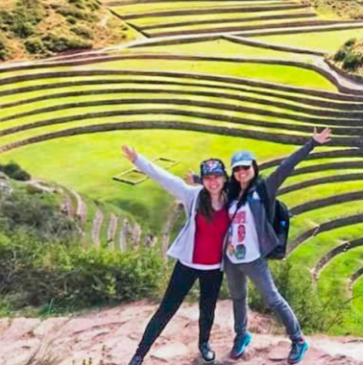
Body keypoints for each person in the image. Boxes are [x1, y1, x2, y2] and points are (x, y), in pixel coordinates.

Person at [226, 127, 332, 365]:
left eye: (245, 167)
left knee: (273, 299)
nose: (242, 172)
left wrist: (311, 143)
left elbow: (286, 166)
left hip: (254, 259)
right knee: (238, 297)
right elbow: (212, 184)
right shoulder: (230, 194)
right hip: (231, 258)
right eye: (237, 169)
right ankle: (241, 336)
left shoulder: (264, 189)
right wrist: (197, 179)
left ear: (254, 168)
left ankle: (298, 340)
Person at [122, 146, 230, 365]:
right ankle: (140, 353)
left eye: (217, 177)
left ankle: (204, 344)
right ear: (203, 180)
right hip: (188, 263)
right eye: (208, 178)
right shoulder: (193, 195)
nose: (213, 182)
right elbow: (166, 179)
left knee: (207, 310)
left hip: (214, 267)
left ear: (224, 178)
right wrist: (138, 160)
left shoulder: (232, 201)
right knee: (167, 309)